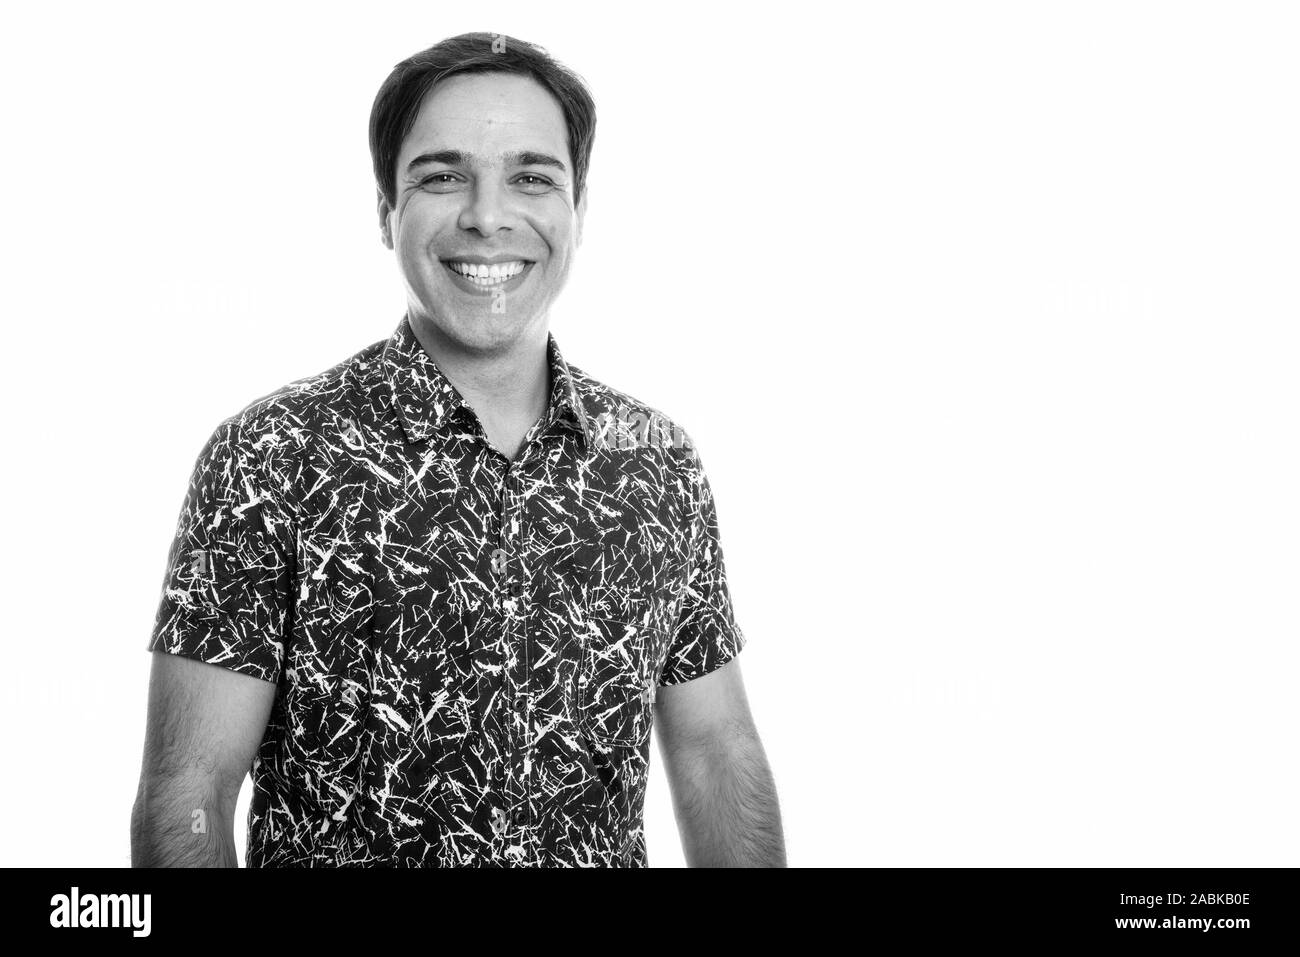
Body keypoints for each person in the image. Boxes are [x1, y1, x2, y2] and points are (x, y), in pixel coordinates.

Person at [131, 32, 784, 867]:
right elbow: (189, 790)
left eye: (532, 177)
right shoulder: (271, 458)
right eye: (442, 176)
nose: (487, 214)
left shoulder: (656, 462)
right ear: (384, 210)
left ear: (577, 208)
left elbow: (716, 754)